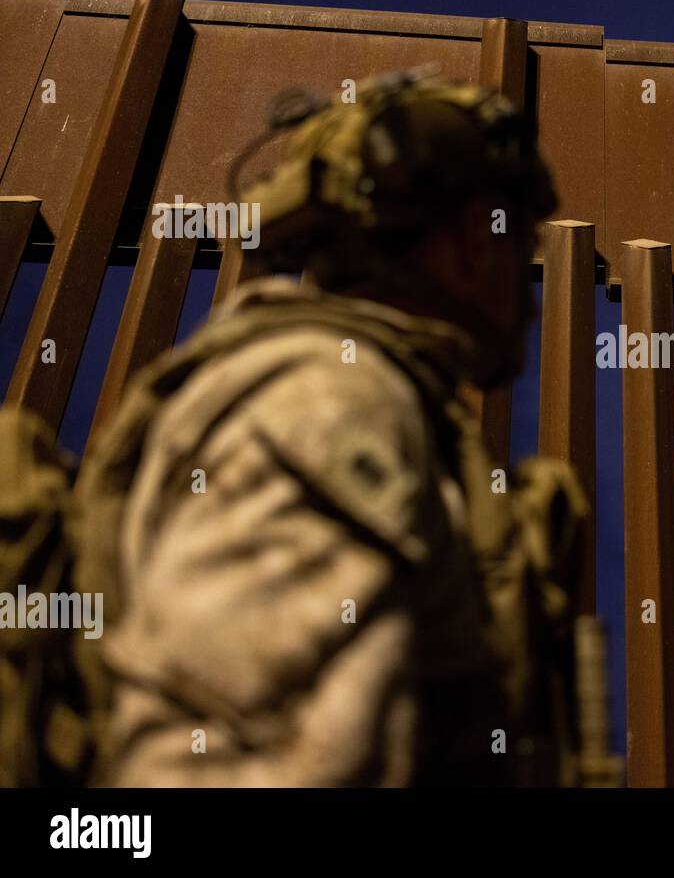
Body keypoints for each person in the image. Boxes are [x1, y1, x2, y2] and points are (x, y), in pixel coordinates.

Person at [74, 69, 587, 786]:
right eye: (522, 248)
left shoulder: (350, 391)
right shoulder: (334, 397)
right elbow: (233, 762)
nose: (530, 295)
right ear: (475, 239)